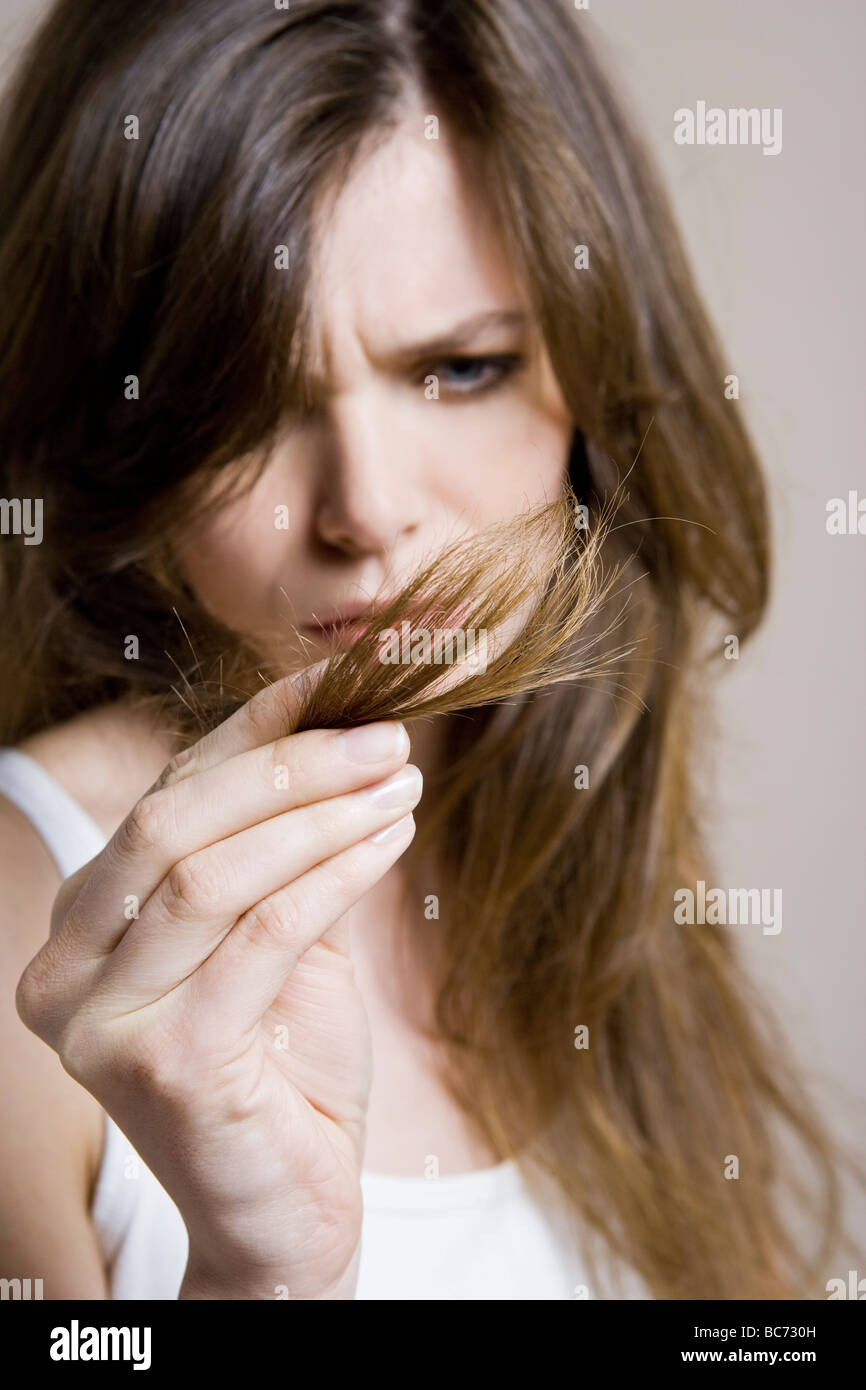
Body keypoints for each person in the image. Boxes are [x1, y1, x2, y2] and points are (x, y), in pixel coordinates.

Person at [0, 0, 851, 1300]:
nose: (365, 509)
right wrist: (253, 1271)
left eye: (457, 369)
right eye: (240, 406)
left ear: (594, 369)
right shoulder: (24, 938)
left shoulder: (571, 809)